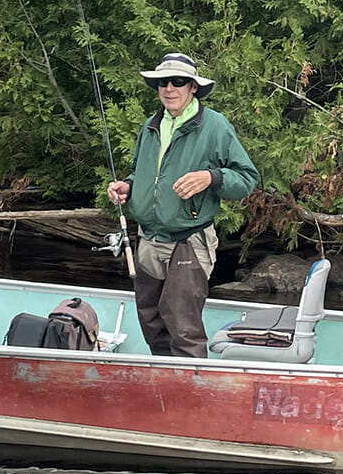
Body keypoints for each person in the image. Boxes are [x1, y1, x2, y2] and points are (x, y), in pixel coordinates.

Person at [106, 53, 258, 357]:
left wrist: (211, 177)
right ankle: (167, 391)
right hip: (148, 240)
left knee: (183, 328)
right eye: (163, 82)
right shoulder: (151, 126)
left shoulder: (215, 126)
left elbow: (247, 178)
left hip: (189, 242)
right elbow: (142, 173)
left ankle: (190, 394)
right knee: (151, 322)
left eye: (178, 82)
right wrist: (129, 186)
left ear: (193, 87)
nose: (169, 88)